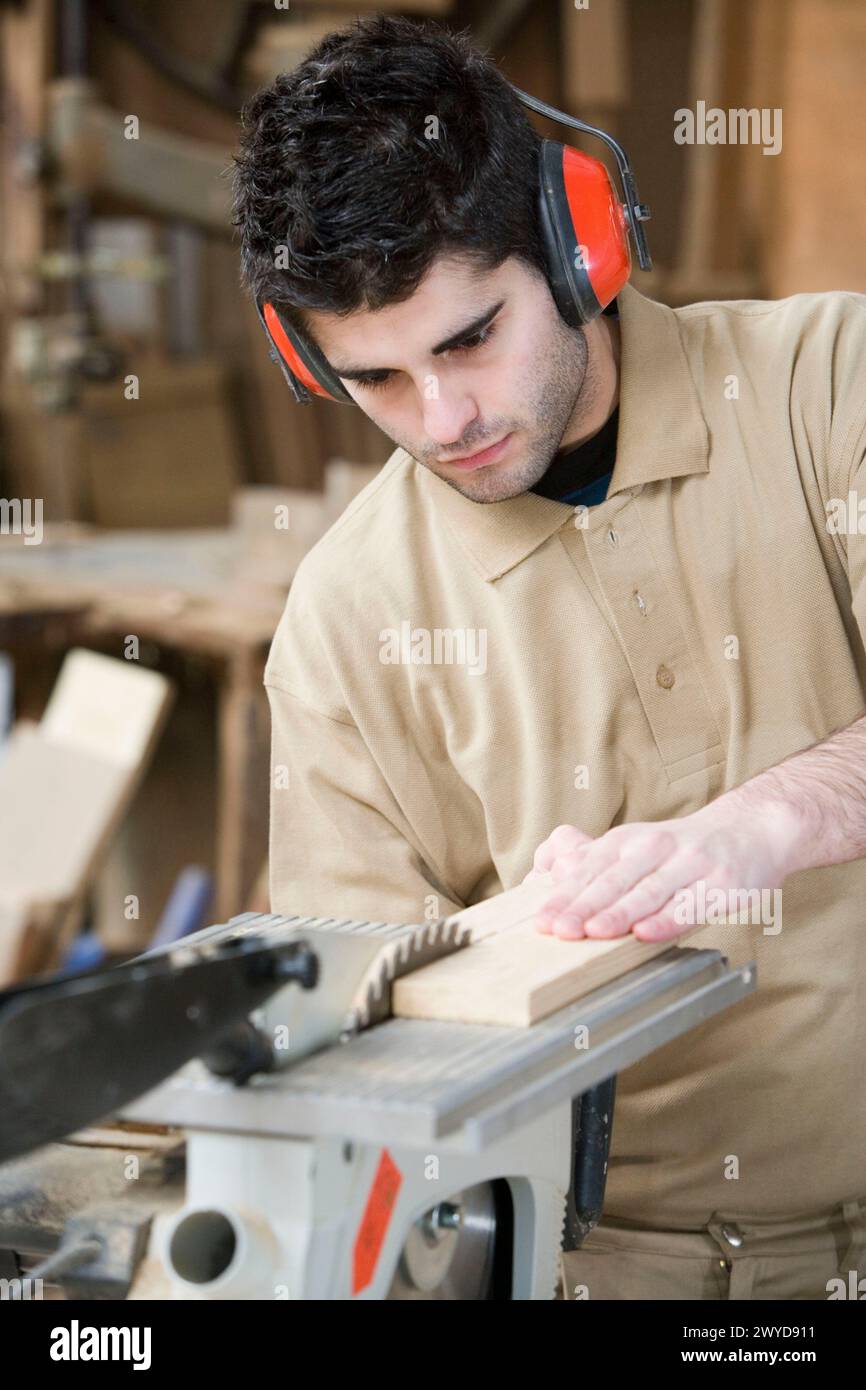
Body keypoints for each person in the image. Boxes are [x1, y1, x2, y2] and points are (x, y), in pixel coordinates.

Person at [232, 14, 866, 1299]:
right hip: (615, 1272)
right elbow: (359, 1045)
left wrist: (759, 826)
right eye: (377, 380)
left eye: (468, 338)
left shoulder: (825, 386)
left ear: (581, 246)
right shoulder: (350, 618)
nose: (441, 418)